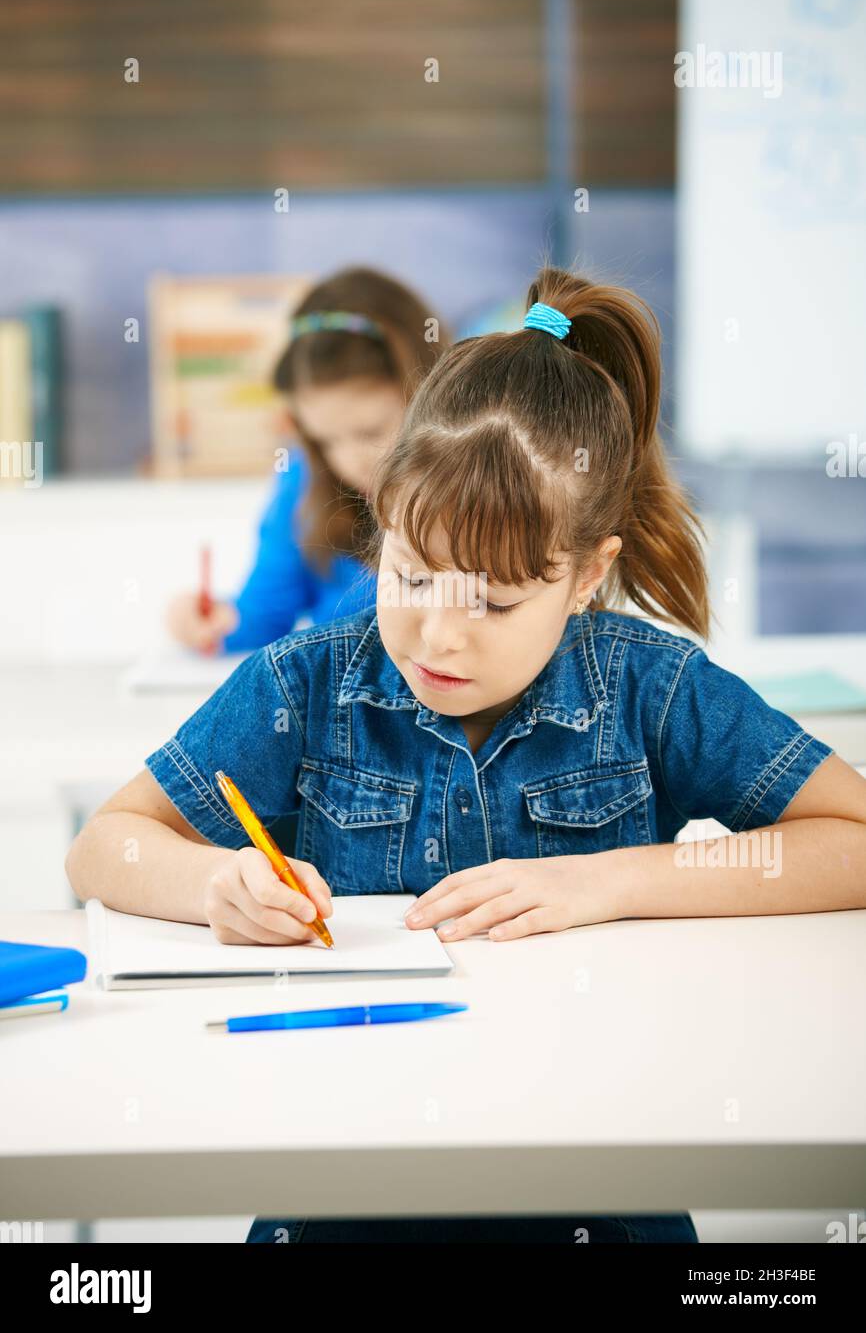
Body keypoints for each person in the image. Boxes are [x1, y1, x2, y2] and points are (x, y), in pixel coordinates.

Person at [67, 266, 866, 1244]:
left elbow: (852, 837)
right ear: (381, 517)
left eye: (492, 601)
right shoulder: (305, 681)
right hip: (341, 1180)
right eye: (409, 575)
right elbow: (105, 846)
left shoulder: (647, 686)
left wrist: (611, 881)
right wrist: (215, 883)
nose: (439, 638)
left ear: (584, 577)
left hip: (597, 1181)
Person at [166, 266, 449, 653]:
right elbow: (260, 620)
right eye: (324, 440)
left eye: (369, 431)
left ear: (430, 393)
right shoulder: (303, 484)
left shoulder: (487, 480)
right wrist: (209, 620)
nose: (350, 461)